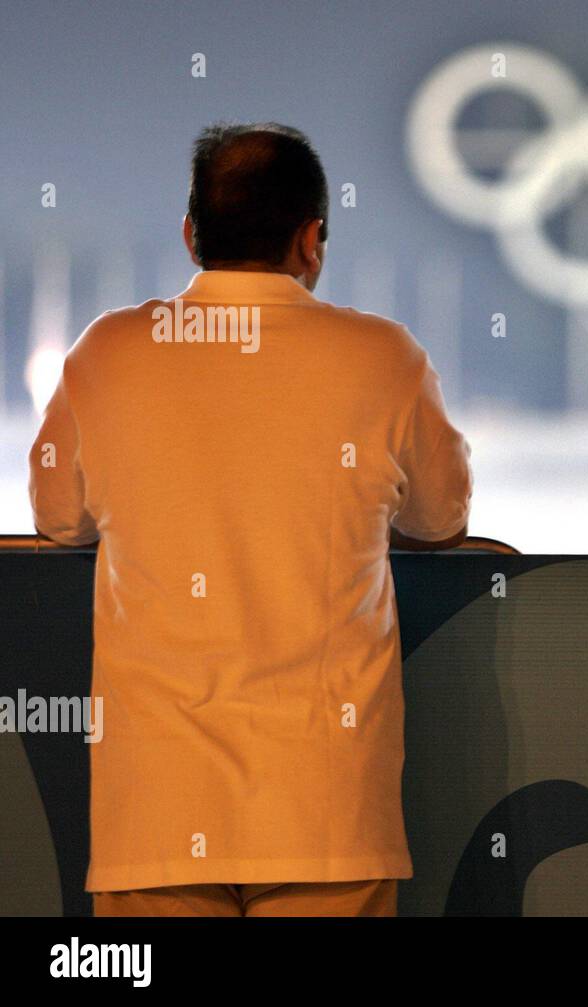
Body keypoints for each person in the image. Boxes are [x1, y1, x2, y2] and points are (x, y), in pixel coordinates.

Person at [28, 122, 472, 917]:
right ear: (312, 239)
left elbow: (59, 519)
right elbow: (442, 519)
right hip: (328, 813)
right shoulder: (384, 358)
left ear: (192, 233)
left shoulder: (108, 354)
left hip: (157, 812)